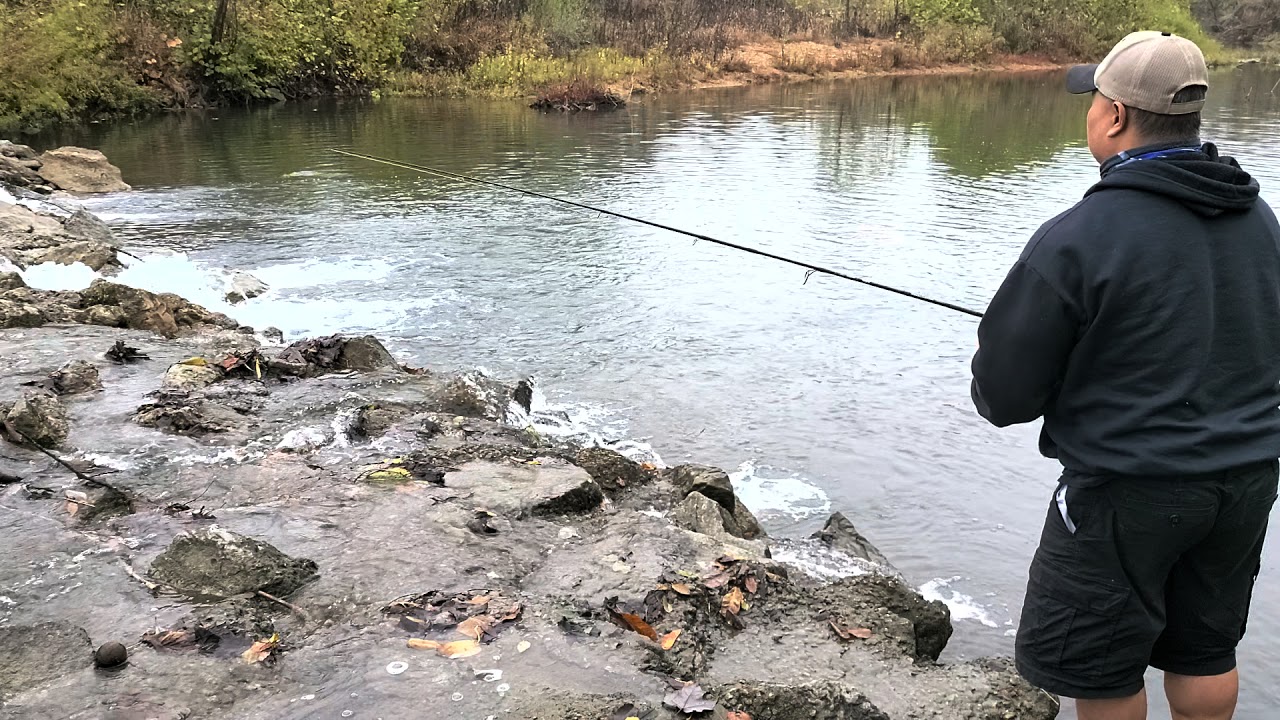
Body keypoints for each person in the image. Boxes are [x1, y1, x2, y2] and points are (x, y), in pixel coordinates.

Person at [969, 30, 1280, 720]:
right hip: (1248, 482)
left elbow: (1004, 394)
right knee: (1205, 651)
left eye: (1096, 100)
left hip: (1127, 492)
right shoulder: (1261, 219)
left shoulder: (1081, 234)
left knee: (1102, 668)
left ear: (1113, 116)